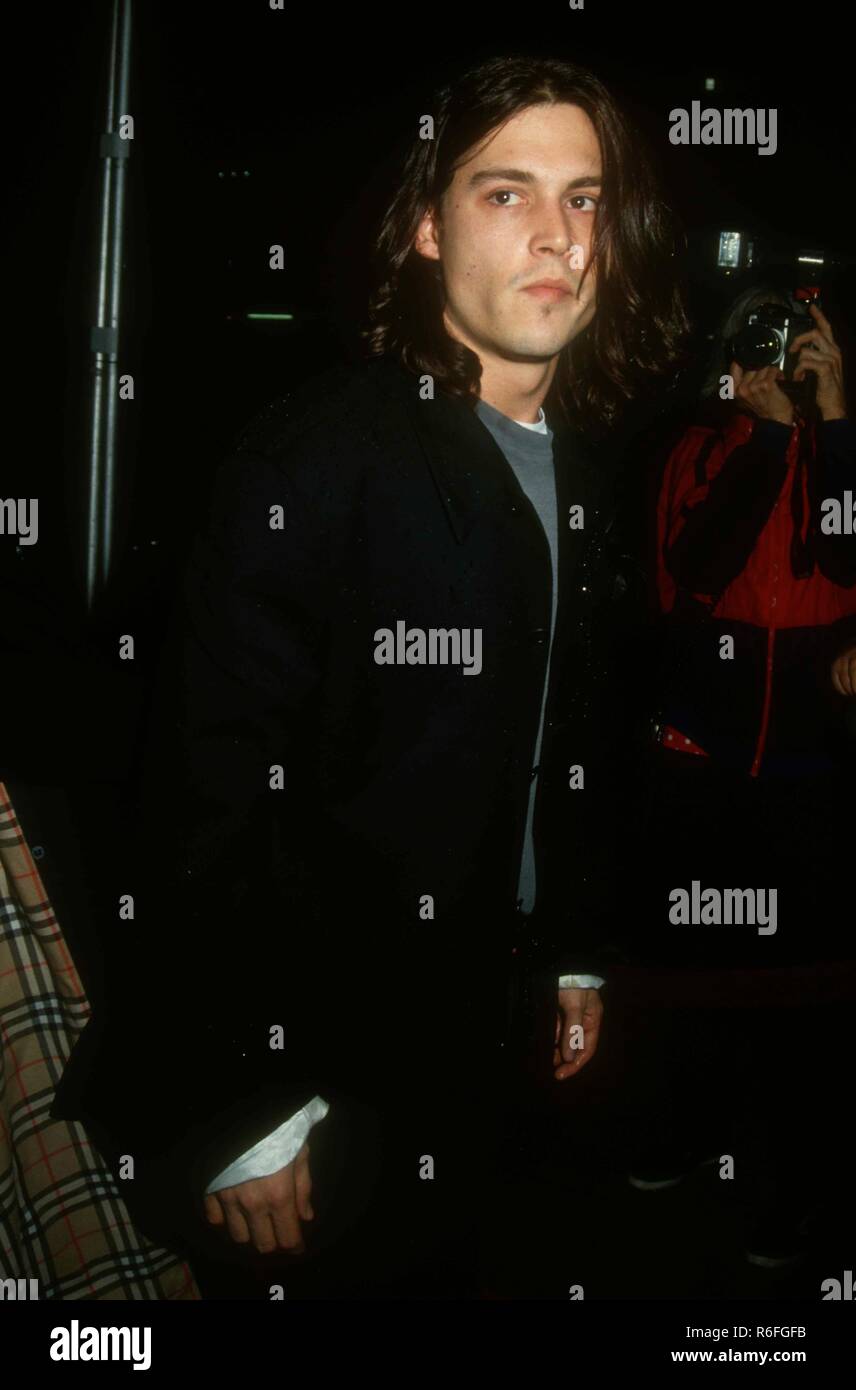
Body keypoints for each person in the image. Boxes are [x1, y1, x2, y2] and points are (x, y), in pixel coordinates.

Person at [52, 54, 688, 1298]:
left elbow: (572, 743)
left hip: (494, 1038)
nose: (558, 235)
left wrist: (571, 954)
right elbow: (203, 794)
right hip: (334, 1060)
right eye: (505, 194)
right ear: (424, 225)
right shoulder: (320, 458)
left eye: (585, 198)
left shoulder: (590, 472)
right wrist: (244, 1101)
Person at [625, 283, 856, 1269]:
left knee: (807, 999)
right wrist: (765, 442)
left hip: (813, 768)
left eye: (797, 342)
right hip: (702, 765)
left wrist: (834, 416)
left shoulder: (843, 446)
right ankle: (671, 1138)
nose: (779, 359)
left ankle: (788, 1193)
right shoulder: (702, 445)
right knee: (692, 974)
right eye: (760, 340)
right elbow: (694, 571)